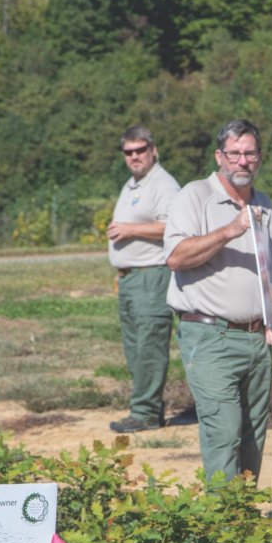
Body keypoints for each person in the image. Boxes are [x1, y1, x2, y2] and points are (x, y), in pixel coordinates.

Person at [164, 119, 272, 483]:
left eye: (250, 153)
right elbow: (176, 257)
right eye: (234, 153)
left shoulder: (264, 205)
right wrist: (230, 230)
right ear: (219, 157)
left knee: (253, 436)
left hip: (257, 339)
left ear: (260, 157)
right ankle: (222, 515)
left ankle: (244, 513)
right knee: (224, 431)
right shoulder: (194, 196)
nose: (242, 161)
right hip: (210, 336)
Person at [107, 125, 181, 434]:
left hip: (152, 276)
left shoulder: (163, 184)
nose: (134, 156)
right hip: (130, 279)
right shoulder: (133, 185)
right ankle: (147, 407)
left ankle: (145, 413)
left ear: (154, 150)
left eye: (140, 150)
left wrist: (131, 230)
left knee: (149, 346)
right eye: (129, 152)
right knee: (135, 348)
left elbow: (175, 226)